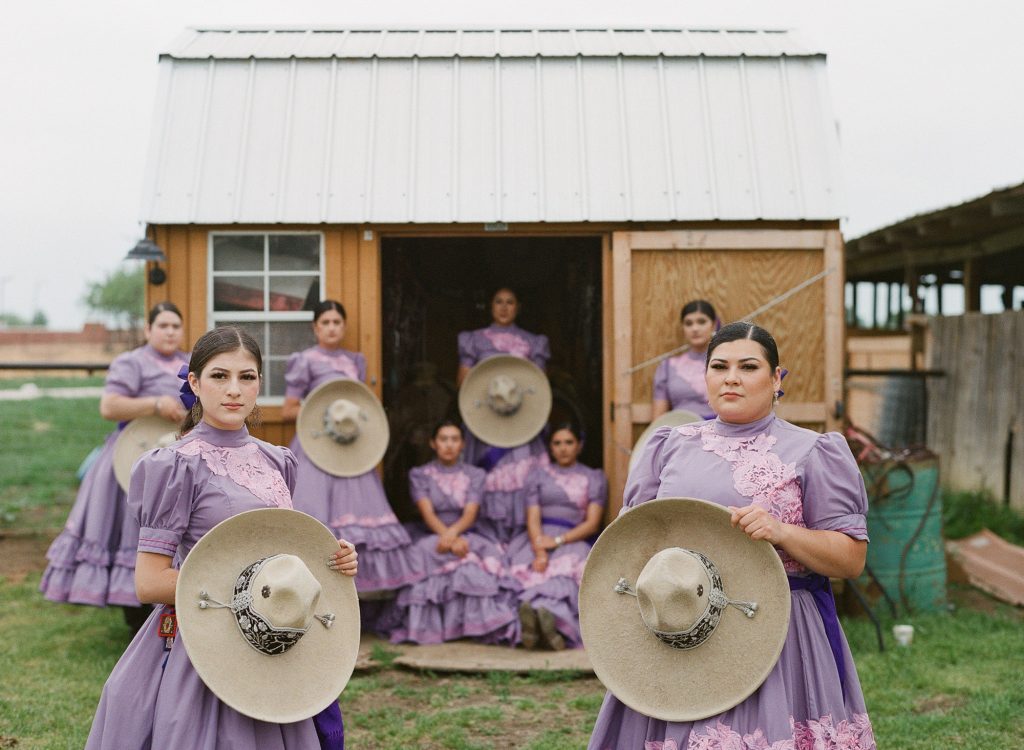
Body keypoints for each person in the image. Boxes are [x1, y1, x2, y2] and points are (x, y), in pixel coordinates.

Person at [588, 321, 875, 749]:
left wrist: (782, 532)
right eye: (719, 366)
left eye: (749, 366)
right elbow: (631, 544)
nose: (732, 378)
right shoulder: (668, 446)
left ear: (777, 378)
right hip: (678, 632)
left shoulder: (814, 452)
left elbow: (850, 560)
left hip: (775, 632)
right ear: (705, 376)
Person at [85, 326, 358, 750]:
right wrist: (243, 588)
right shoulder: (174, 467)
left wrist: (331, 562)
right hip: (203, 648)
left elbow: (282, 555)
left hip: (270, 645)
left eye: (246, 377)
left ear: (260, 384)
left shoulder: (279, 459)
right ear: (194, 383)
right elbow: (149, 581)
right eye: (219, 376)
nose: (234, 390)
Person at [40, 301, 189, 630]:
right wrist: (155, 403)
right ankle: (135, 613)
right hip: (130, 457)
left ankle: (176, 606)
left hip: (177, 459)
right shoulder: (131, 362)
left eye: (175, 326)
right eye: (162, 325)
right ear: (149, 330)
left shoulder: (190, 363)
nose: (169, 332)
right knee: (132, 531)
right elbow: (109, 406)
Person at [281, 300, 421, 599]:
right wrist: (321, 411)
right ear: (315, 327)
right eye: (326, 322)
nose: (332, 328)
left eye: (337, 322)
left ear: (344, 327)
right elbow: (288, 409)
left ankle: (357, 598)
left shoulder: (355, 361)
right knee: (314, 516)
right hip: (316, 446)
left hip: (350, 449)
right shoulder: (304, 360)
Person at [387, 420, 519, 644]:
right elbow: (427, 513)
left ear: (463, 445)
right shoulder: (420, 474)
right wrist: (446, 536)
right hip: (433, 532)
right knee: (420, 553)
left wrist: (453, 535)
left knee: (476, 562)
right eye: (443, 439)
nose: (449, 445)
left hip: (465, 532)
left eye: (454, 439)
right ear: (433, 443)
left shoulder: (475, 475)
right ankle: (431, 629)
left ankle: (477, 626)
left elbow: (470, 513)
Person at [457, 287, 551, 543]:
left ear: (518, 306)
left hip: (522, 420)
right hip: (485, 420)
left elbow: (539, 386)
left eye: (510, 302)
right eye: (498, 301)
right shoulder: (474, 340)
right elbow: (464, 385)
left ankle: (522, 537)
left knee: (522, 474)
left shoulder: (533, 342)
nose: (504, 307)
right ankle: (491, 538)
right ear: (490, 306)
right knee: (489, 478)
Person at [507, 422, 606, 650]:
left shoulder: (593, 477)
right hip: (538, 536)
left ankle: (555, 626)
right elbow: (533, 516)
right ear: (550, 448)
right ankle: (532, 624)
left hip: (574, 537)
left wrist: (560, 541)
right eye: (557, 443)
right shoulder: (538, 476)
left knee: (566, 575)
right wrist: (539, 550)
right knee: (531, 571)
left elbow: (592, 523)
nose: (563, 448)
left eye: (569, 443)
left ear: (579, 445)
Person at [651, 299, 718, 421]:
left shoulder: (725, 363)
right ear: (683, 328)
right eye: (689, 323)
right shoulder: (667, 366)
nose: (695, 328)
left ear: (713, 325)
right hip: (679, 432)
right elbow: (658, 419)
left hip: (718, 433)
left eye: (701, 322)